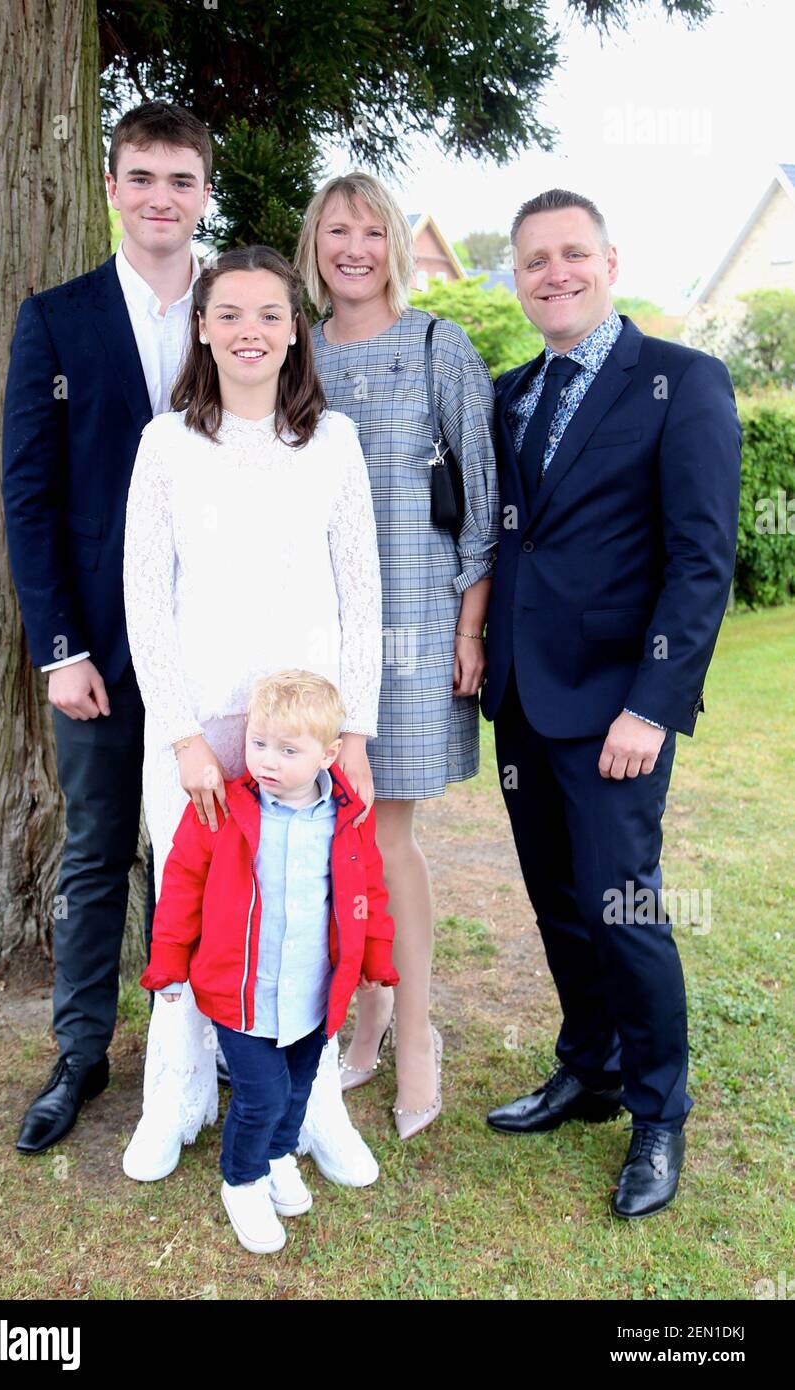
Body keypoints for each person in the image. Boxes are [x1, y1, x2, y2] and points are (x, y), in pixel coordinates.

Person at [481, 188, 741, 1219]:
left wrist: (651, 704)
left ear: (608, 260)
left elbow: (698, 561)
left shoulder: (682, 382)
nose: (553, 272)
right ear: (515, 275)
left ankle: (658, 1111)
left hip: (615, 710)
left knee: (622, 907)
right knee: (556, 903)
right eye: (533, 258)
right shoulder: (511, 391)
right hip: (520, 699)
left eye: (570, 253)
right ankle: (585, 1069)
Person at [121, 243, 386, 1188]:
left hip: (307, 739)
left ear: (294, 330)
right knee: (193, 917)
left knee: (304, 924)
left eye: (270, 314)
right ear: (201, 326)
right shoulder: (166, 444)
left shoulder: (334, 442)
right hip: (198, 730)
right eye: (229, 313)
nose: (249, 331)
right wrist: (184, 736)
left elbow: (364, 593)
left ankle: (315, 1107)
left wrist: (352, 736)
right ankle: (177, 1096)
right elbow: (145, 601)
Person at [2, 101, 213, 1154]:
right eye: (142, 177)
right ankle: (81, 1051)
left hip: (216, 642)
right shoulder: (57, 316)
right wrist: (58, 647)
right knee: (96, 852)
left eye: (180, 179)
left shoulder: (243, 310)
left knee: (208, 850)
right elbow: (28, 496)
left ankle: (207, 1051)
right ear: (112, 186)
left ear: (202, 194)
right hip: (97, 650)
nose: (161, 196)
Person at [296, 173, 499, 1138]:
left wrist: (470, 629)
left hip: (414, 630)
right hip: (309, 634)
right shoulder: (294, 353)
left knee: (384, 837)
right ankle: (363, 1010)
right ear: (314, 245)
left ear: (394, 247)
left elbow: (485, 498)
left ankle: (415, 1032)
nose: (354, 247)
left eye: (371, 230)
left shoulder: (437, 346)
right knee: (327, 841)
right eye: (336, 230)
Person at [142, 671, 399, 1253]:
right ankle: (242, 1180)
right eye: (259, 743)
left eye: (289, 750)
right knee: (258, 1096)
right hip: (243, 996)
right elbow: (181, 885)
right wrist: (169, 964)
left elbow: (370, 892)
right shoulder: (224, 812)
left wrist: (376, 955)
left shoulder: (347, 817)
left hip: (313, 994)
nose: (268, 761)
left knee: (299, 1086)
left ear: (329, 754)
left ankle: (281, 1154)